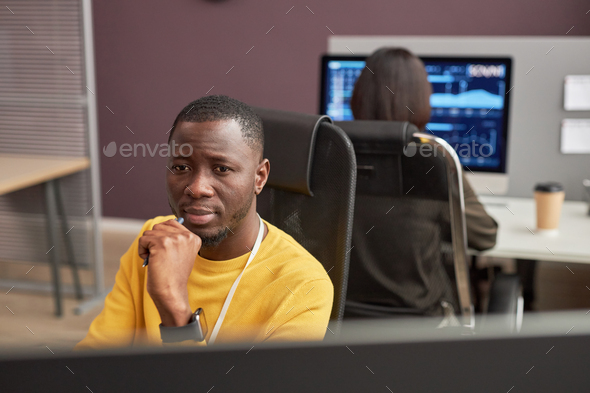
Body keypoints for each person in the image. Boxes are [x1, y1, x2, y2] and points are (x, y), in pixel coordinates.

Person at [75, 95, 333, 349]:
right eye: (180, 168)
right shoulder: (156, 239)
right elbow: (94, 360)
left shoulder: (304, 285)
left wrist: (174, 308)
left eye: (221, 169)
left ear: (259, 177)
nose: (197, 189)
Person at [345, 48, 498, 317]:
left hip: (337, 320)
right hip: (419, 326)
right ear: (420, 99)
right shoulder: (433, 159)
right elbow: (484, 235)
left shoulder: (332, 154)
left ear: (359, 96)